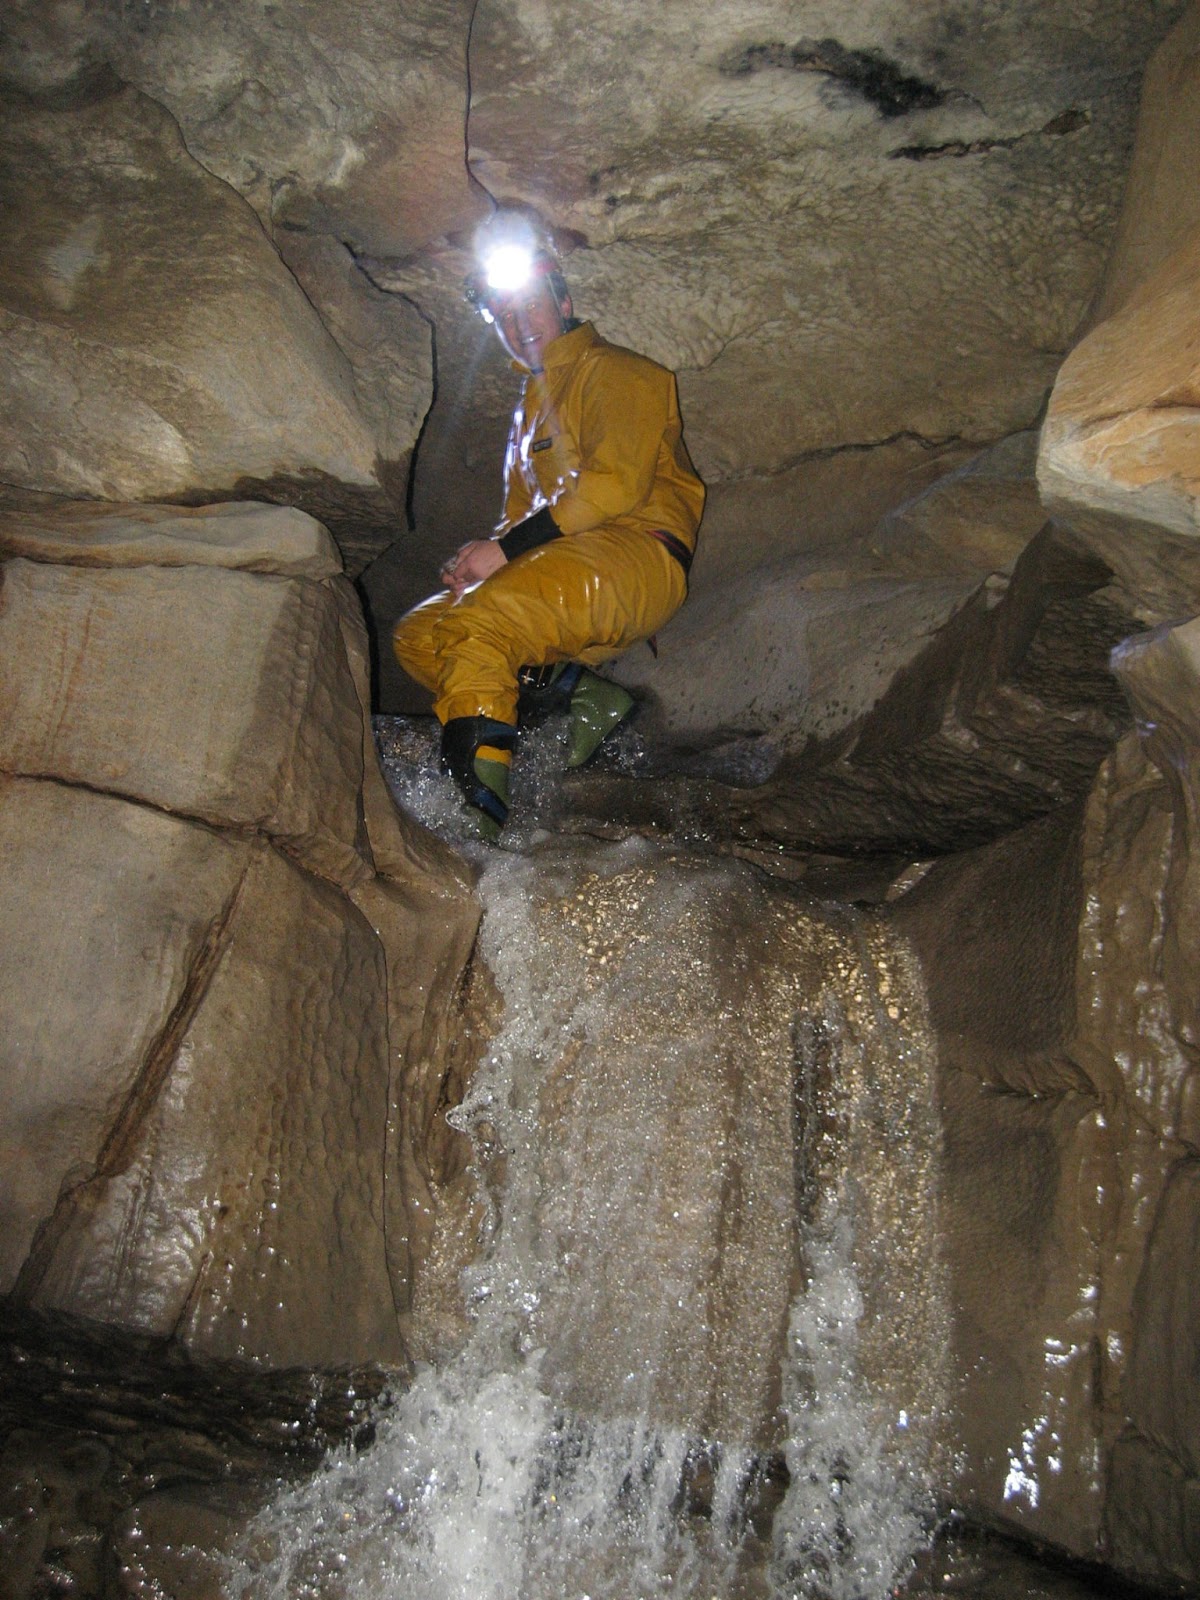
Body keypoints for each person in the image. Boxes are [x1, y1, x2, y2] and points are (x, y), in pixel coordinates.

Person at [392, 229, 705, 839]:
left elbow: (614, 488)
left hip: (638, 556)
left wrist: (504, 555)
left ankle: (477, 817)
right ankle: (586, 701)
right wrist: (480, 561)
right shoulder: (530, 409)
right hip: (566, 567)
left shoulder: (621, 373)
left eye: (529, 304)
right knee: (421, 634)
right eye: (503, 315)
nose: (518, 322)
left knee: (479, 622)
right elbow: (519, 522)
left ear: (562, 303)